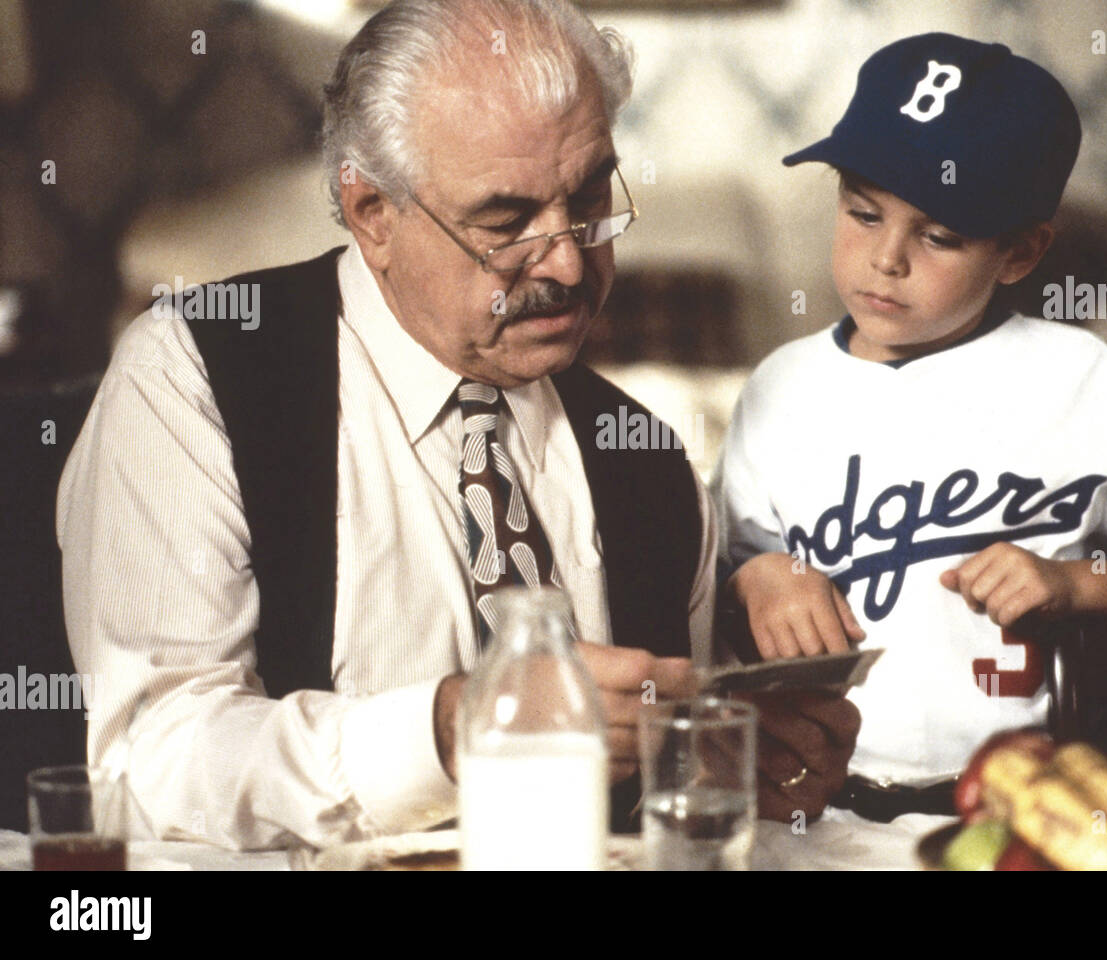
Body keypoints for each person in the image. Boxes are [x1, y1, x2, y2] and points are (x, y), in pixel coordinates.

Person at [56, 0, 858, 850]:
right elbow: (148, 766)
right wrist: (452, 729)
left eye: (589, 198)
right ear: (373, 215)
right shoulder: (196, 376)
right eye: (506, 223)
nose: (567, 263)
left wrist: (742, 773)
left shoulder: (649, 462)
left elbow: (666, 800)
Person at [712, 33, 1107, 821]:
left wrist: (1076, 583)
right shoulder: (779, 386)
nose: (887, 258)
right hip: (812, 810)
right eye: (863, 213)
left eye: (939, 236)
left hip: (1022, 806)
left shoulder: (1086, 379)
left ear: (1020, 251)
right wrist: (757, 573)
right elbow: (709, 574)